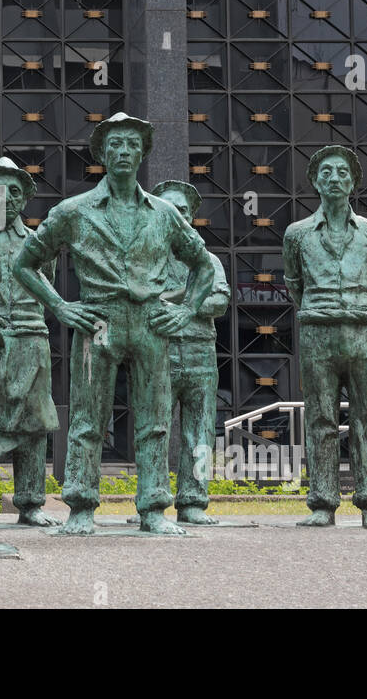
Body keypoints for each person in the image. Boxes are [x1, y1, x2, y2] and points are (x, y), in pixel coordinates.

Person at [13, 113, 214, 536]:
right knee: (88, 418)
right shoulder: (74, 210)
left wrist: (185, 311)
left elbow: (203, 264)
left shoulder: (163, 213)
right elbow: (25, 263)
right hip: (98, 321)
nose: (123, 151)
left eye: (131, 145)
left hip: (150, 321)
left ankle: (154, 509)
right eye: (115, 144)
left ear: (142, 154)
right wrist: (60, 306)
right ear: (102, 153)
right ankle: (81, 506)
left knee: (156, 419)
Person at [282, 145, 367, 528]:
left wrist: (354, 309)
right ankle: (323, 502)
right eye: (326, 172)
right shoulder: (297, 234)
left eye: (342, 172)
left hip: (363, 333)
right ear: (314, 181)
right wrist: (323, 311)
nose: (334, 178)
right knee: (320, 419)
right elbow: (294, 284)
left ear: (353, 181)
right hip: (317, 334)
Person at [0, 157, 60, 528]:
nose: (4, 198)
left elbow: (48, 286)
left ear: (24, 199)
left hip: (31, 338)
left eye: (12, 192)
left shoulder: (37, 243)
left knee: (35, 423)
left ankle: (30, 501)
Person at [149, 180, 230, 525]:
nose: (176, 216)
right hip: (159, 353)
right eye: (169, 209)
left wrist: (180, 298)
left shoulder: (208, 259)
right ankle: (151, 502)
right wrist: (194, 296)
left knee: (200, 432)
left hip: (200, 353)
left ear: (192, 216)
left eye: (182, 210)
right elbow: (142, 302)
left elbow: (220, 301)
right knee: (153, 429)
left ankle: (193, 501)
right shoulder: (147, 257)